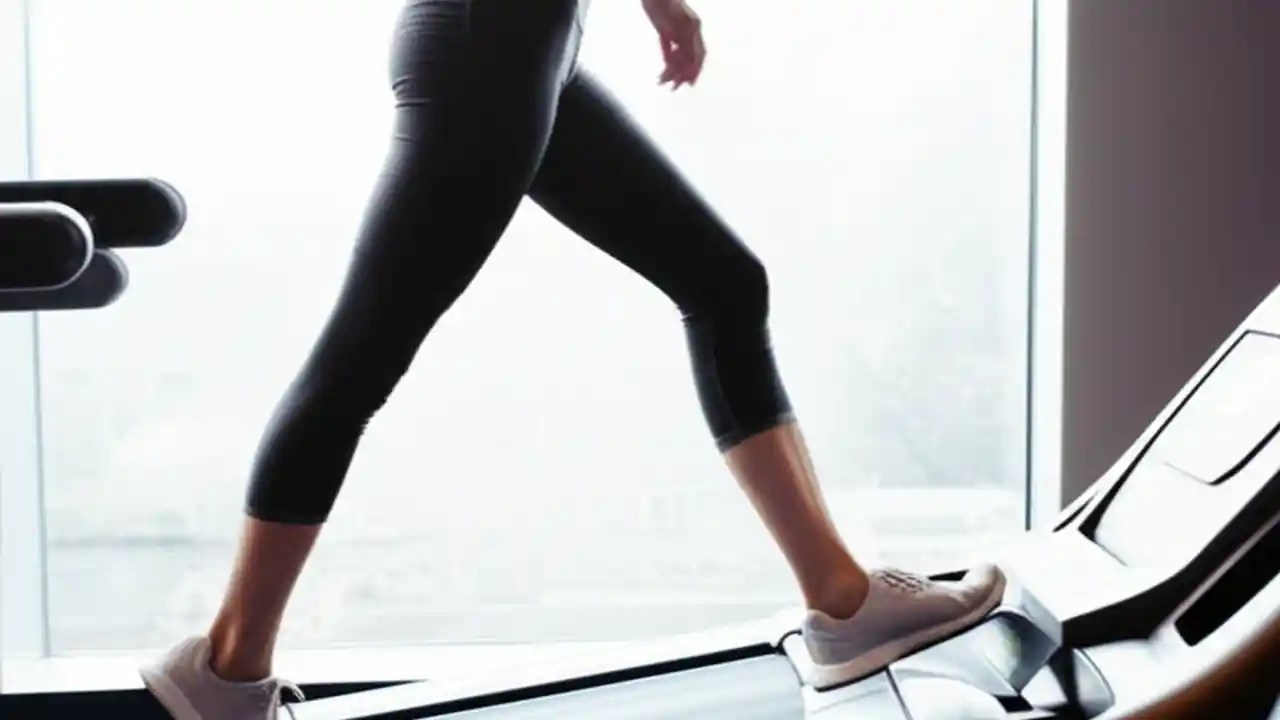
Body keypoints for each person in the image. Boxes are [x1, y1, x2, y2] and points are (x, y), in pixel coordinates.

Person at [140, 1, 1005, 717]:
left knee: (725, 284)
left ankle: (842, 600)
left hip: (528, 41)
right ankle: (227, 667)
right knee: (357, 364)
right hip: (490, 42)